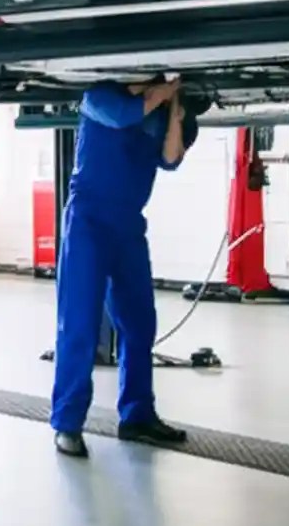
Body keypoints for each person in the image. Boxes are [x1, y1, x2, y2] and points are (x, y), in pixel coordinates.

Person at [51, 76, 198, 457]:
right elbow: (121, 115)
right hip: (88, 223)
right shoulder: (100, 96)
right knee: (79, 323)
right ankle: (67, 424)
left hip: (129, 226)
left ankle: (137, 416)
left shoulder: (157, 113)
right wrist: (163, 96)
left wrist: (175, 109)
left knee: (139, 323)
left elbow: (171, 158)